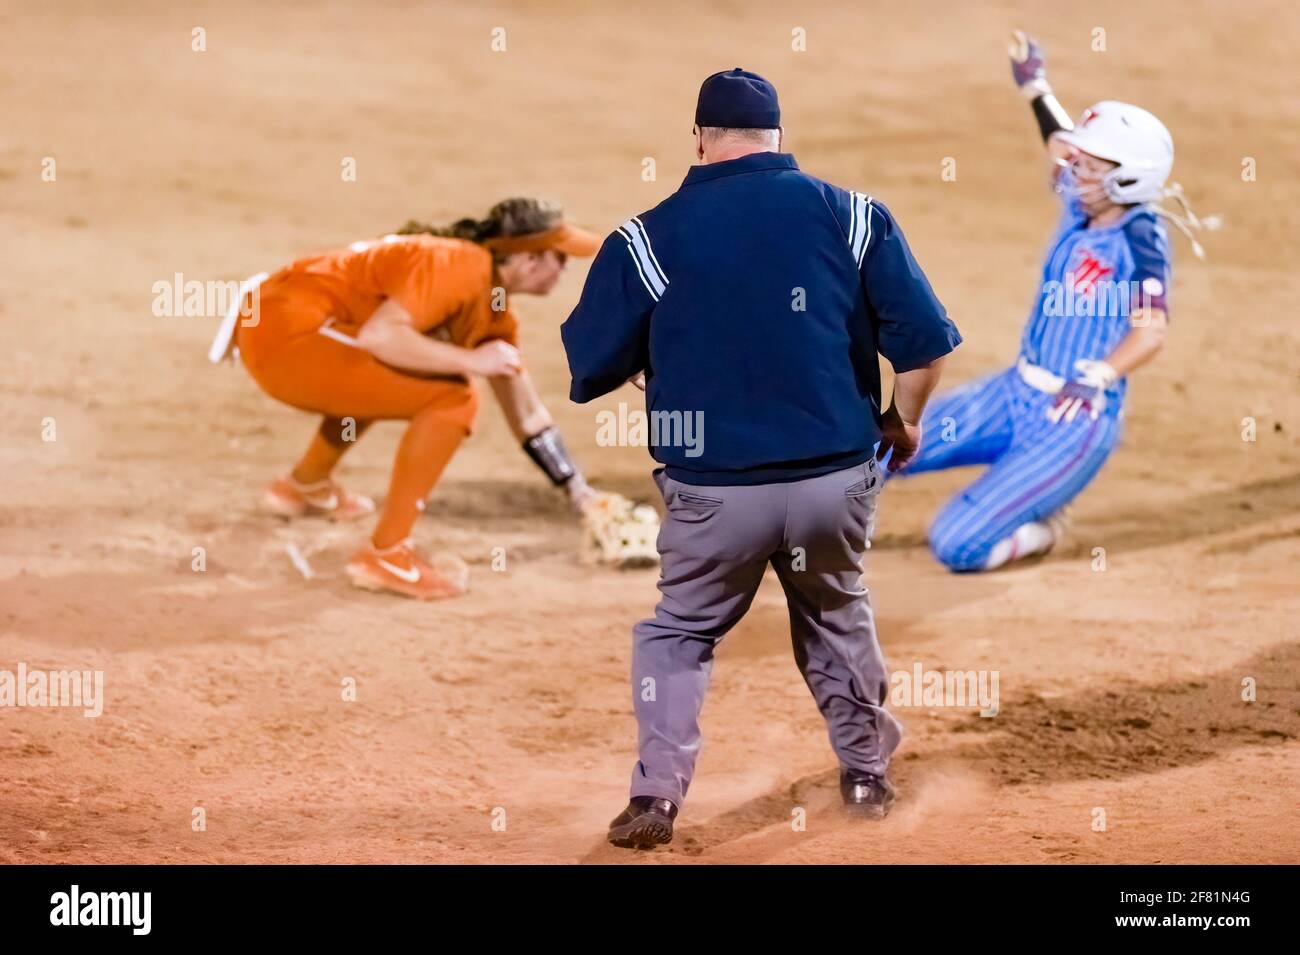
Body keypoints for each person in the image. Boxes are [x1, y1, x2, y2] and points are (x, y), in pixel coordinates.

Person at [561, 68, 961, 848]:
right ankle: (866, 775)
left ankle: (655, 798)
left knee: (679, 632)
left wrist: (663, 366)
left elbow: (591, 367)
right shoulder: (854, 215)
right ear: (779, 136)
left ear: (700, 140)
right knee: (836, 609)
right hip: (832, 479)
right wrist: (902, 422)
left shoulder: (647, 235)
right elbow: (925, 346)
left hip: (713, 492)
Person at [895, 32, 1208, 572]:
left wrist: (1100, 376)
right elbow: (1060, 141)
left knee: (956, 543)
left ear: (1129, 178)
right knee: (874, 450)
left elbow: (1151, 330)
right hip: (1014, 392)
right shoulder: (1083, 197)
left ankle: (1039, 532)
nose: (1072, 169)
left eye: (1089, 165)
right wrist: (1035, 85)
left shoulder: (1142, 240)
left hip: (1071, 423)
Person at [213, 198, 604, 599]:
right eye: (561, 258)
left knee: (410, 372)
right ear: (528, 260)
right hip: (283, 332)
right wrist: (470, 360)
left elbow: (527, 414)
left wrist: (579, 492)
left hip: (297, 329)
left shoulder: (493, 309)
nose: (567, 269)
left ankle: (302, 487)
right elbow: (380, 337)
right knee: (453, 396)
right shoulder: (460, 266)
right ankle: (385, 554)